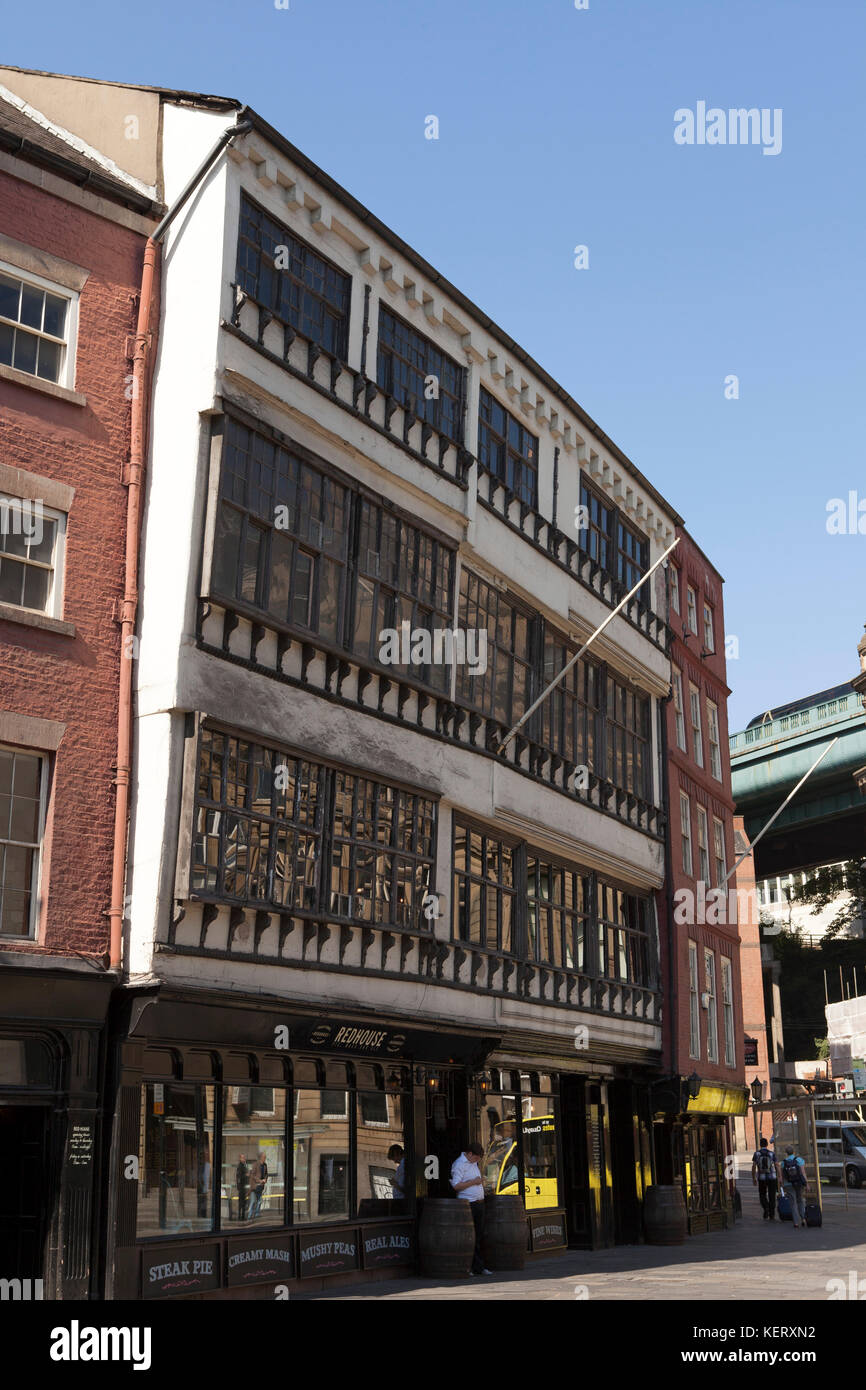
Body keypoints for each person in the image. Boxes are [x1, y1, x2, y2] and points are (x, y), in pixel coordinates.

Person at [451, 1141, 491, 1276]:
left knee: (478, 1236)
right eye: (476, 1157)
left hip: (479, 1203)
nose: (477, 1160)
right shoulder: (459, 1164)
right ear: (469, 1153)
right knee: (469, 1237)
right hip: (469, 1204)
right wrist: (474, 1182)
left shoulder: (474, 1163)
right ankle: (468, 1267)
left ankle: (479, 1267)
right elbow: (456, 1186)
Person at [751, 1136, 782, 1219]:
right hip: (772, 1177)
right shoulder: (772, 1153)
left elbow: (754, 1166)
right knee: (772, 1195)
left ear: (760, 1145)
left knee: (762, 1195)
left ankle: (766, 1208)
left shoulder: (756, 1154)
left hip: (761, 1178)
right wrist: (780, 1176)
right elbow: (777, 1165)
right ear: (767, 1144)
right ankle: (772, 1214)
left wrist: (754, 1177)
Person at [780, 1146, 808, 1229]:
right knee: (800, 1201)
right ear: (793, 1151)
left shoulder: (783, 1163)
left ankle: (796, 1223)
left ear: (786, 1153)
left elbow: (782, 1176)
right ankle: (803, 1218)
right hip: (799, 1183)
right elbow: (803, 1173)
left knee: (793, 1204)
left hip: (788, 1185)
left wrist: (782, 1185)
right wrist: (806, 1184)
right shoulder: (799, 1160)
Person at [247, 1151, 268, 1220]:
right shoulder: (255, 1164)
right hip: (254, 1186)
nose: (265, 1158)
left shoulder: (265, 1165)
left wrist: (265, 1179)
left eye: (265, 1157)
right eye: (264, 1157)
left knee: (259, 1201)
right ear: (261, 1157)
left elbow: (266, 1174)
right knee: (253, 1201)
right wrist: (259, 1180)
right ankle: (249, 1215)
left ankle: (257, 1213)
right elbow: (252, 1175)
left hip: (261, 1186)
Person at [236, 1153, 248, 1221]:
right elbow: (239, 1177)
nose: (244, 1159)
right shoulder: (240, 1166)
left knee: (243, 1202)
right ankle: (241, 1216)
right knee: (242, 1202)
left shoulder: (243, 1165)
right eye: (243, 1158)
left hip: (242, 1186)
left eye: (244, 1158)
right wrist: (246, 1175)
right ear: (240, 1159)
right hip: (241, 1187)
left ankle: (242, 1216)